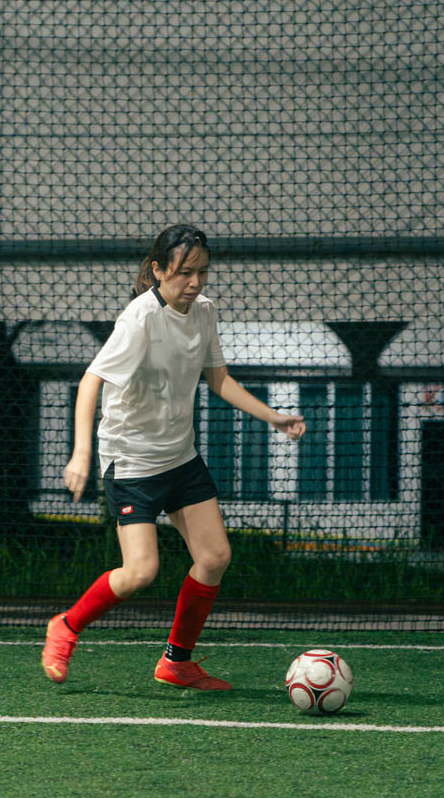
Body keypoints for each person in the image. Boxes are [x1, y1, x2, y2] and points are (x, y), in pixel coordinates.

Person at [42, 224, 305, 690]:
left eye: (202, 272)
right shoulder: (139, 318)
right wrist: (81, 453)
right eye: (185, 273)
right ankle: (66, 626)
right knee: (141, 571)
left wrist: (274, 417)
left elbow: (219, 378)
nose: (196, 283)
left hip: (180, 457)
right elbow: (90, 381)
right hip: (131, 464)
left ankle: (176, 661)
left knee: (215, 556)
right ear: (158, 270)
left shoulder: (204, 312)